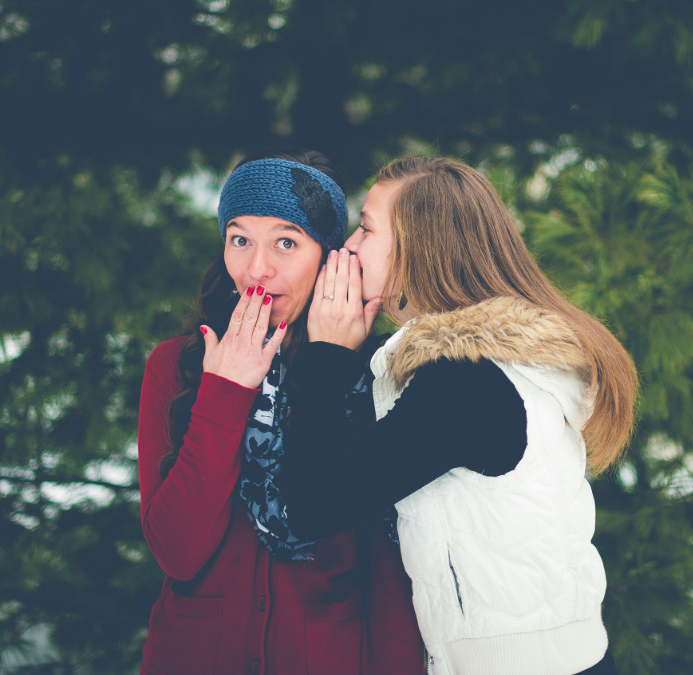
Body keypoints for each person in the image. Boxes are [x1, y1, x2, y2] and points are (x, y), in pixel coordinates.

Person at [272, 156, 638, 674]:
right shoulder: (507, 364)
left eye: (367, 228)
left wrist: (326, 353)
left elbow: (312, 506)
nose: (349, 246)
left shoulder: (463, 384)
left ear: (419, 247)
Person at [137, 151, 424, 675]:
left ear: (329, 258)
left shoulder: (373, 373)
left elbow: (388, 574)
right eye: (239, 239)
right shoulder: (176, 367)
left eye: (286, 242)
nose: (256, 269)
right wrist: (223, 394)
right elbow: (177, 551)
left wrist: (330, 366)